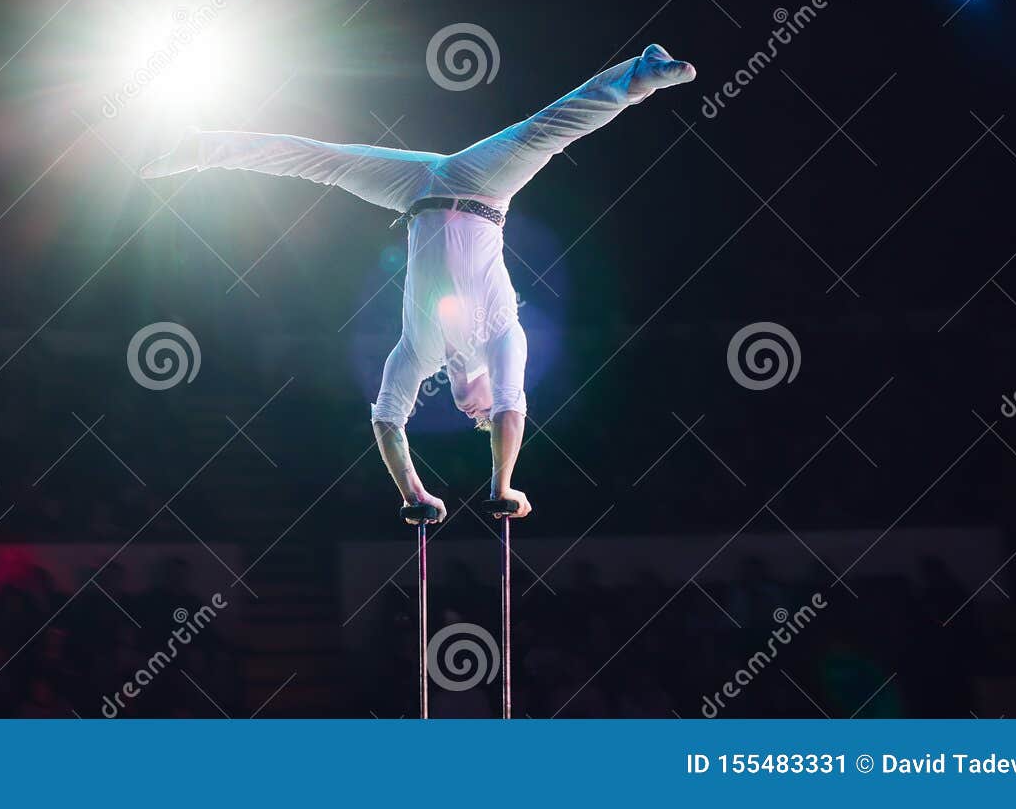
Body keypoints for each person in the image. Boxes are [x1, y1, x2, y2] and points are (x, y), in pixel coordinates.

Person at [141, 44, 696, 525]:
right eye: (481, 418)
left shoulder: (419, 351)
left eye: (472, 419)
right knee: (543, 134)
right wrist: (502, 486)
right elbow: (510, 409)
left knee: (322, 160)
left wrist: (414, 492)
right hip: (483, 187)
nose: (475, 416)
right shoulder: (505, 340)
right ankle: (640, 78)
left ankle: (198, 147)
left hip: (415, 194)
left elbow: (386, 421)